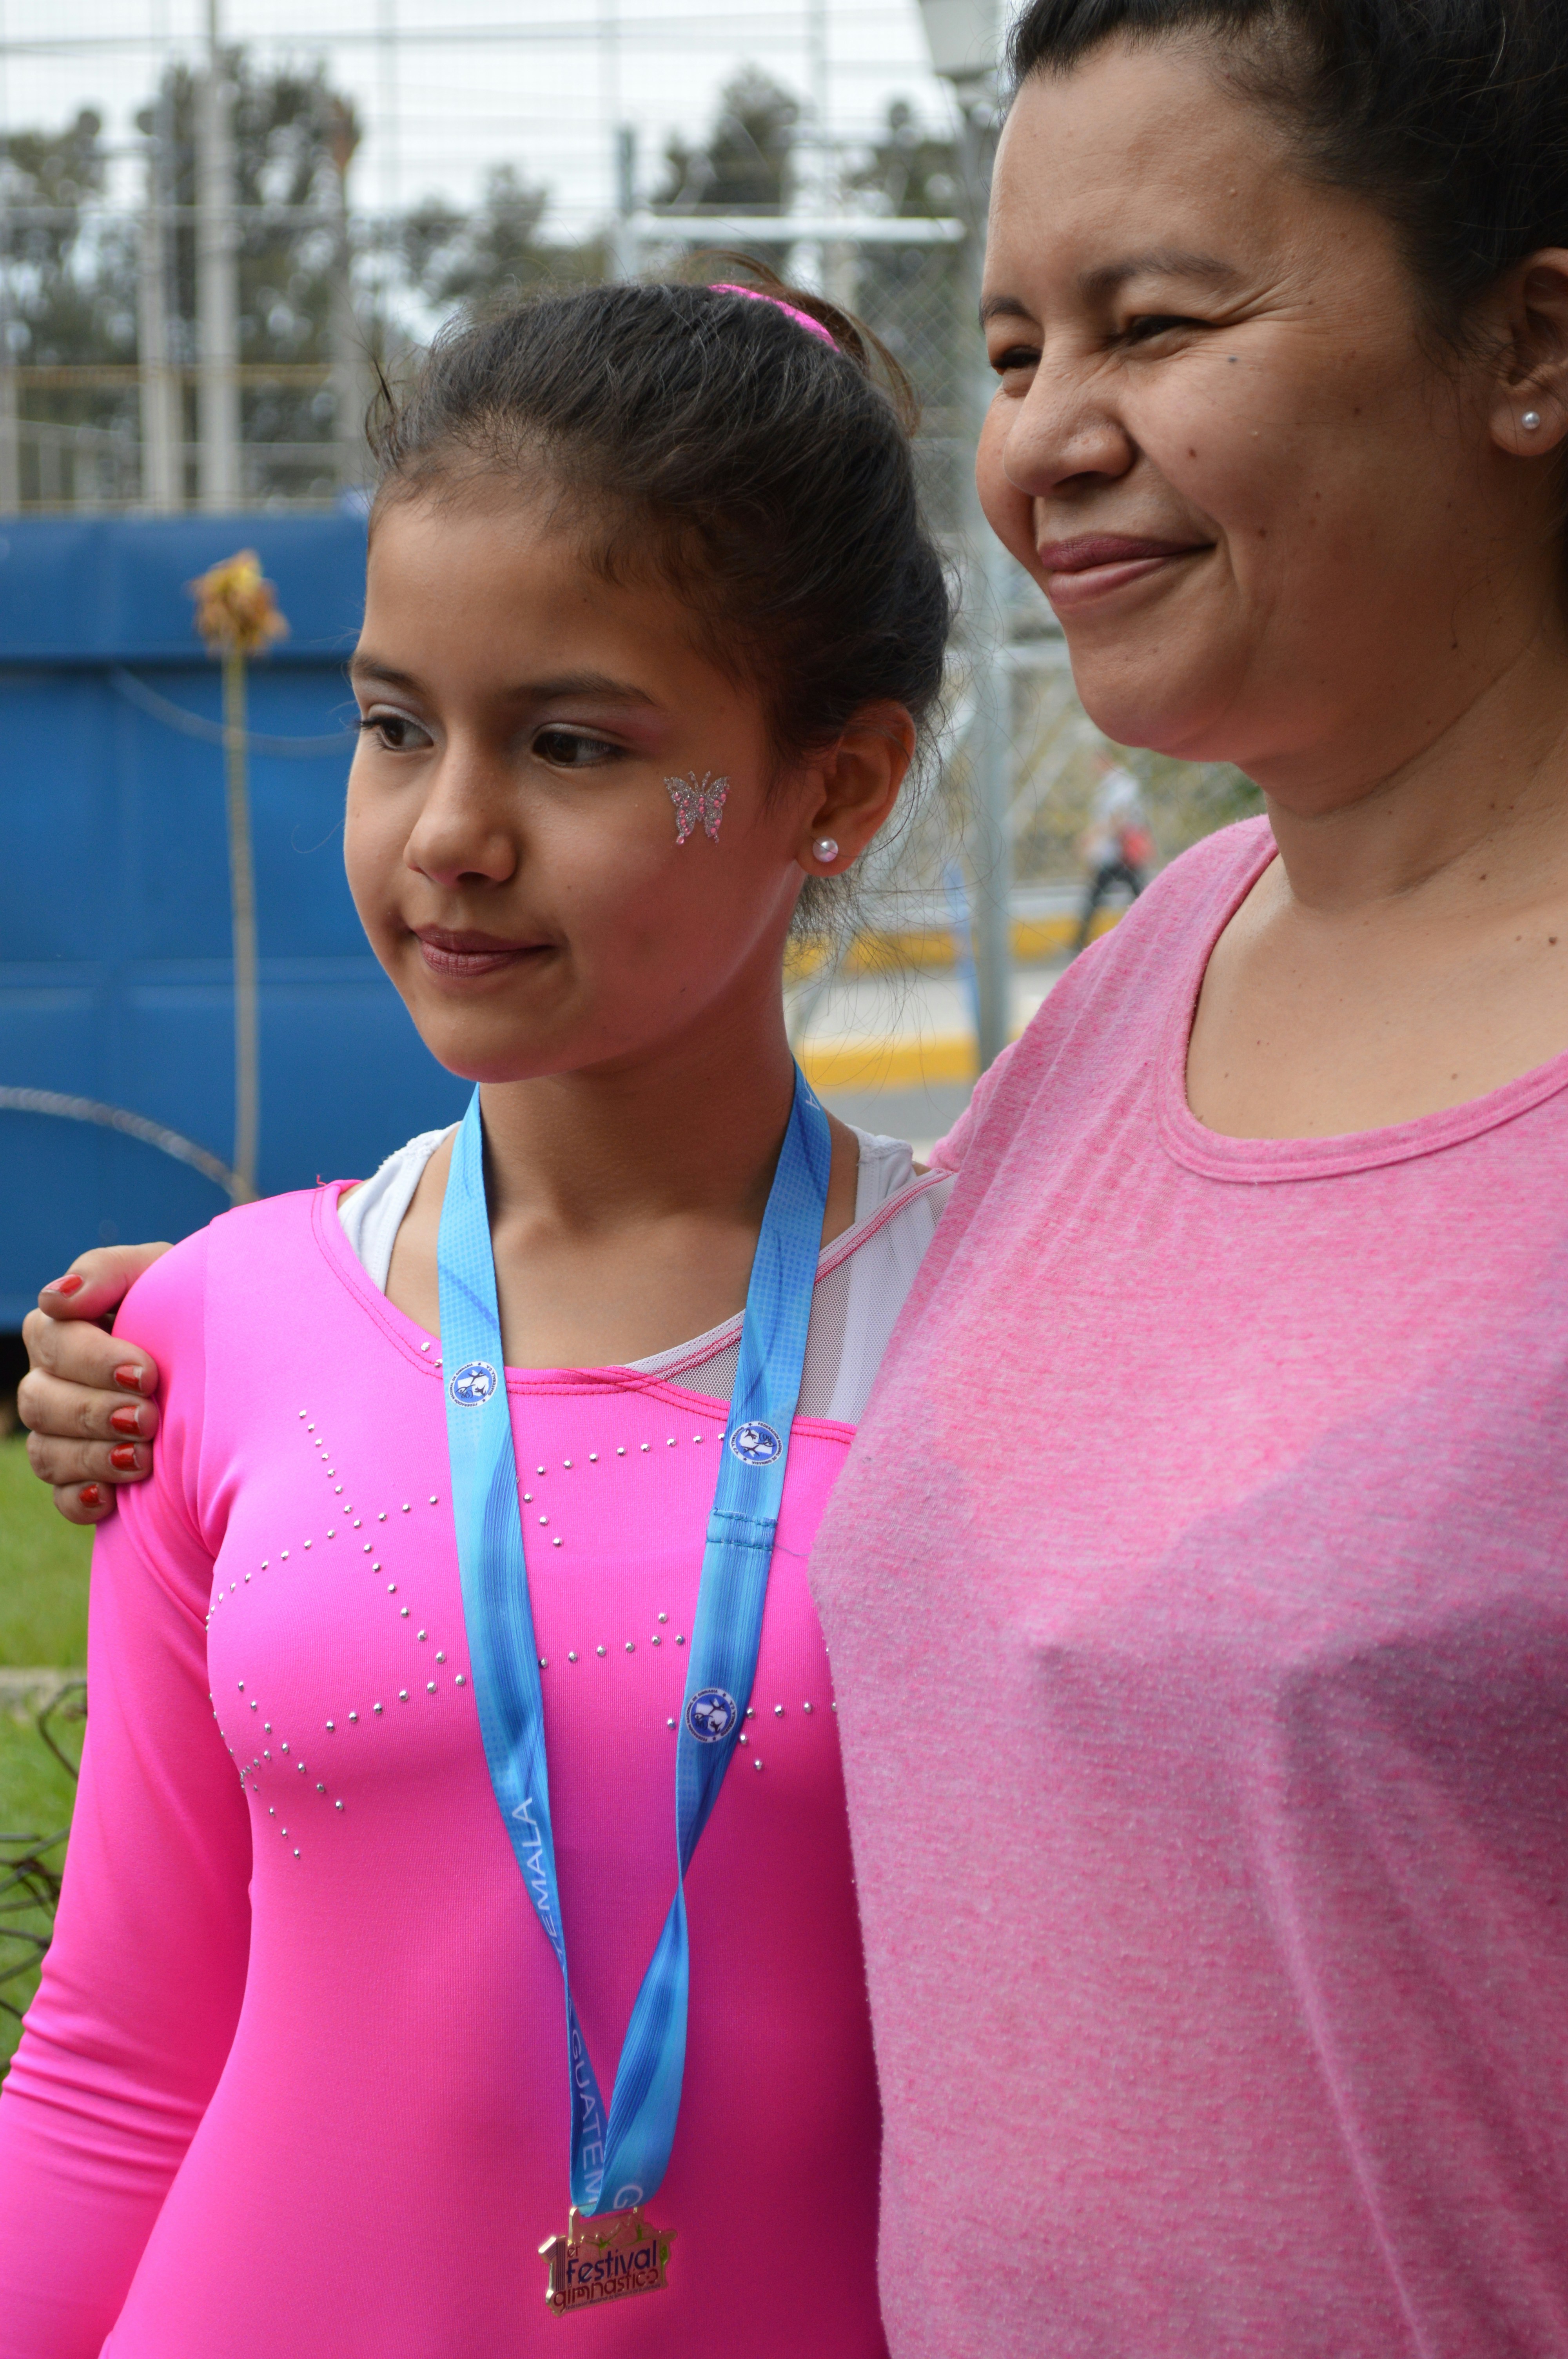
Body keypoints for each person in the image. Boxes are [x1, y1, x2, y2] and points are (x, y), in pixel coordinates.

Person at [25, 1, 1568, 2352]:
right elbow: (119, 2063)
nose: (1048, 431)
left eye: (569, 743)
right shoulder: (1140, 1006)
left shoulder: (981, 1257)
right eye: (1018, 344)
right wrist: (206, 1333)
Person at [0, 273, 952, 2358]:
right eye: (396, 724)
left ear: (838, 787)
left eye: (576, 744)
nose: (452, 833)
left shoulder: (1001, 1333)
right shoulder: (229, 1325)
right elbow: (121, 2048)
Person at [1072, 749, 1151, 951]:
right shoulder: (1107, 786)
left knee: (1137, 896)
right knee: (1101, 897)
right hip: (1110, 854)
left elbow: (1119, 817)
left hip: (1122, 852)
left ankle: (1150, 933)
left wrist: (1092, 837)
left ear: (1106, 759)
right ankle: (1079, 942)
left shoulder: (1123, 784)